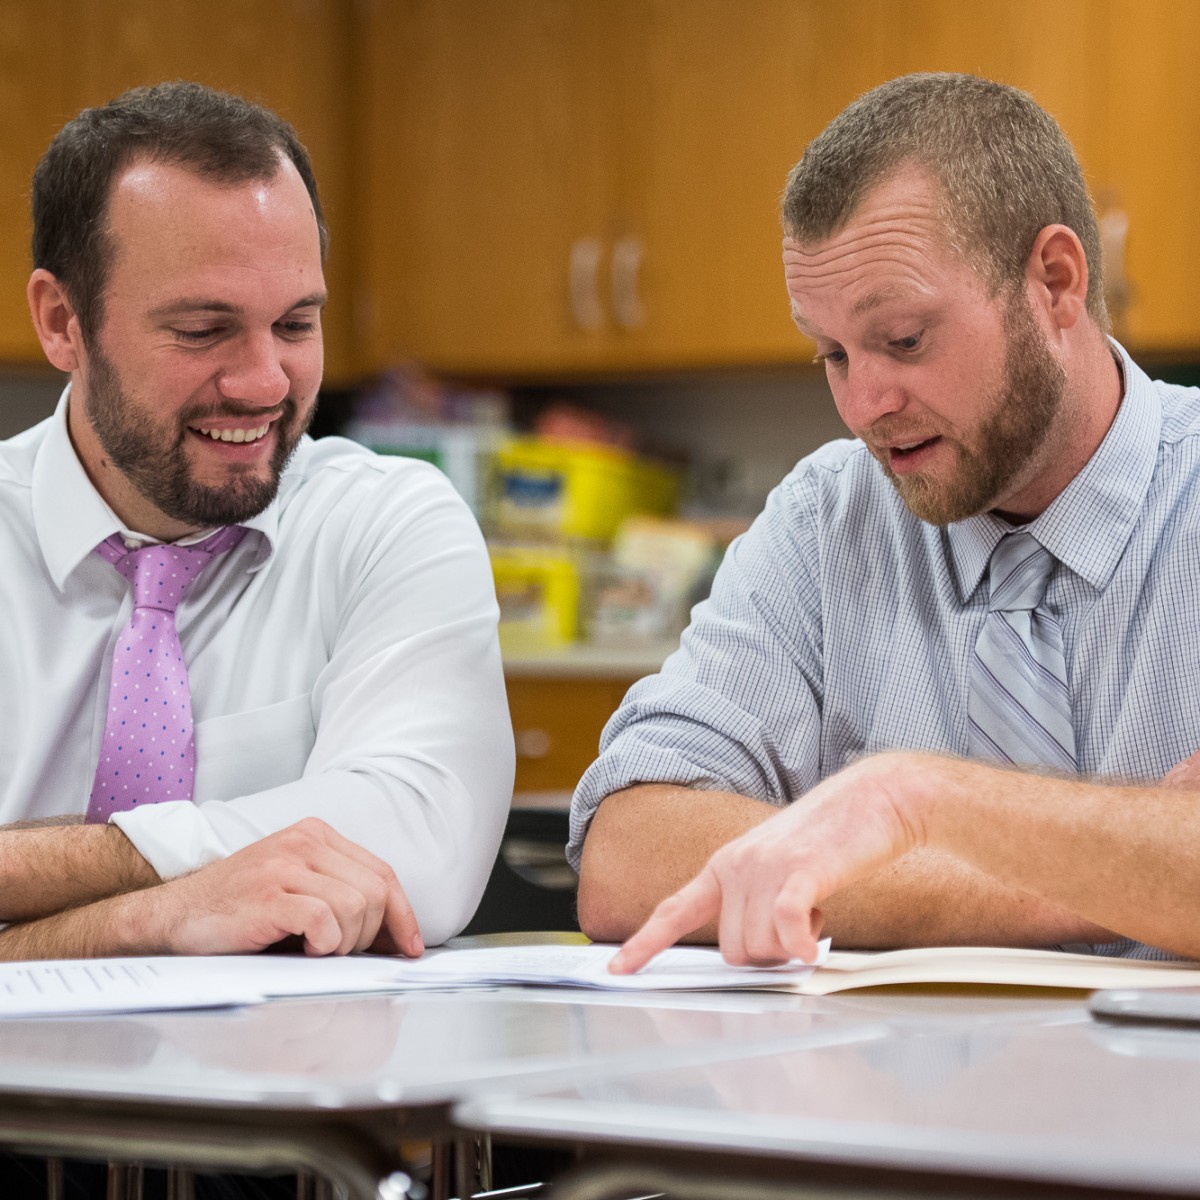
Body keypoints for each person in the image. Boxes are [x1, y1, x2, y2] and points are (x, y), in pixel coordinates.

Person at [569, 72, 1200, 968]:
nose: (864, 405)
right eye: (831, 353)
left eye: (904, 339)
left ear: (1055, 282)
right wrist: (1128, 870)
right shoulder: (825, 521)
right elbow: (630, 858)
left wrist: (903, 813)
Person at [0, 82, 514, 961]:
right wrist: (158, 914)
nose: (265, 382)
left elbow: (419, 851)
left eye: (295, 324)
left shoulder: (384, 523)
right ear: (62, 322)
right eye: (203, 330)